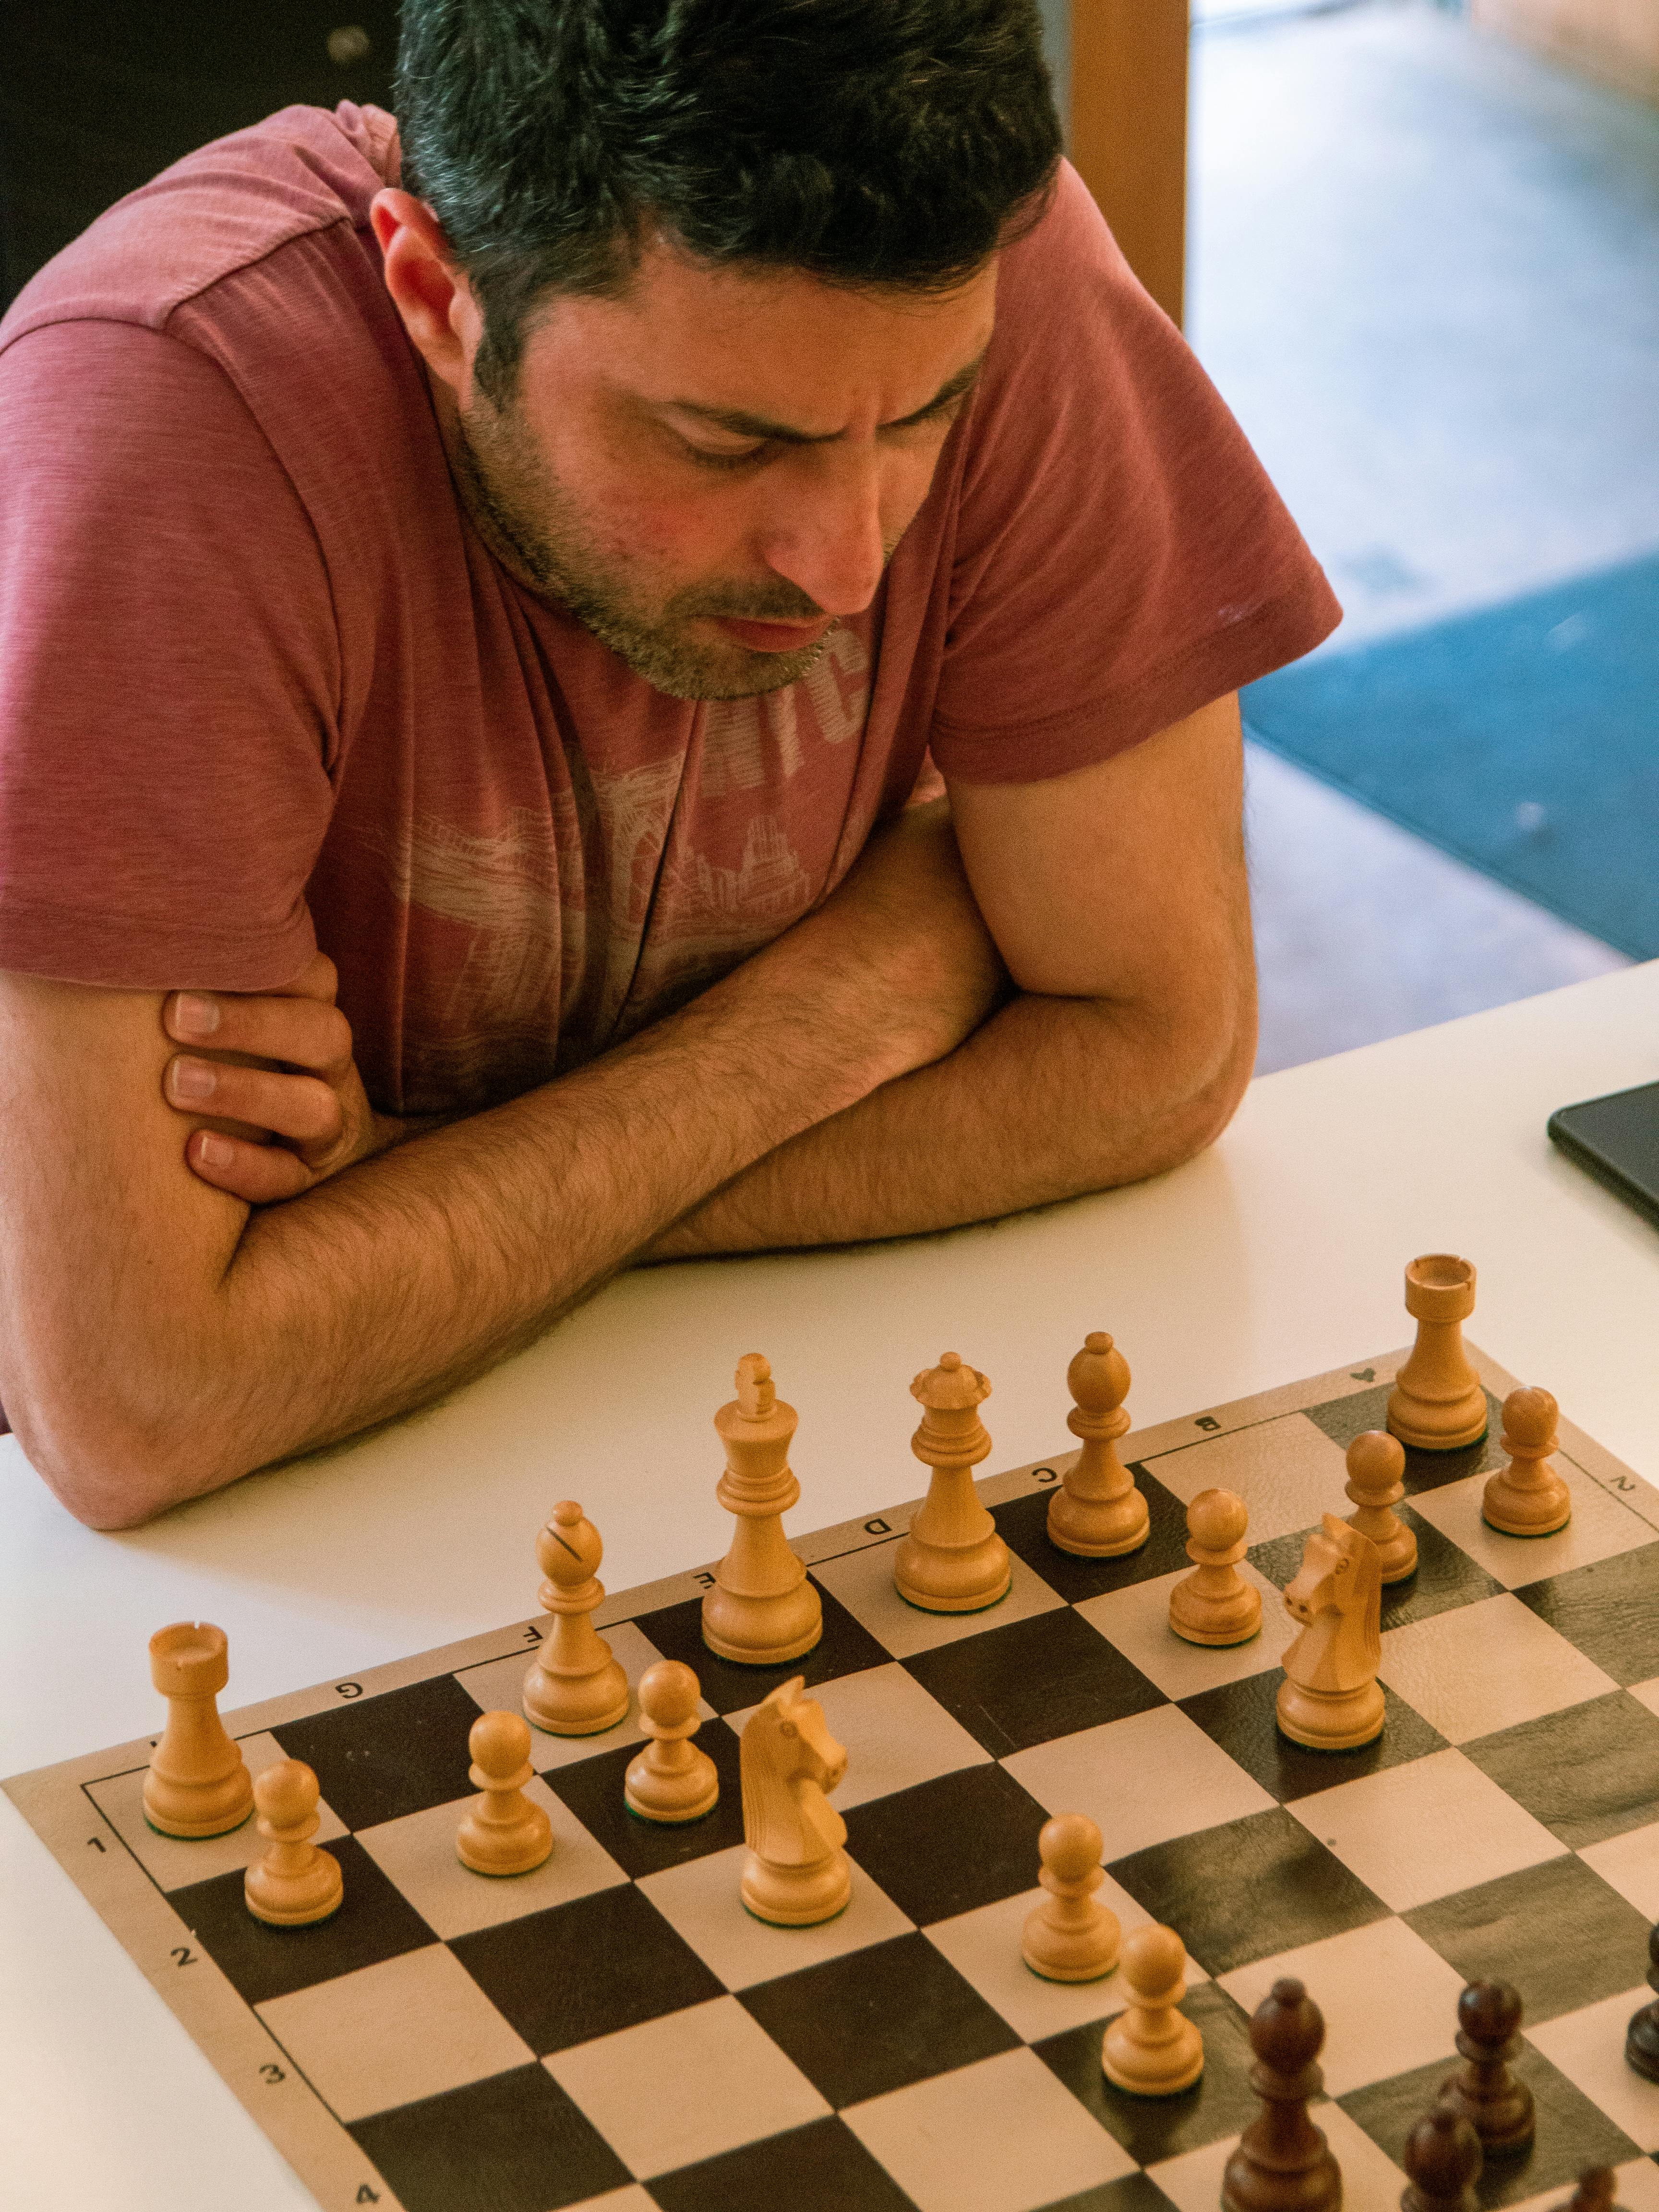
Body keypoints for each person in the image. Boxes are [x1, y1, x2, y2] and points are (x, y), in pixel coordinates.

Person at [0, 0, 1338, 1530]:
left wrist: (418, 1204)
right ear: (437, 296)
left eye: (926, 422)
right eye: (722, 444)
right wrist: (846, 1002)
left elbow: (1158, 1056)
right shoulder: (161, 404)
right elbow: (136, 1406)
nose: (846, 563)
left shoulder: (985, 263)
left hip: (734, 1435)